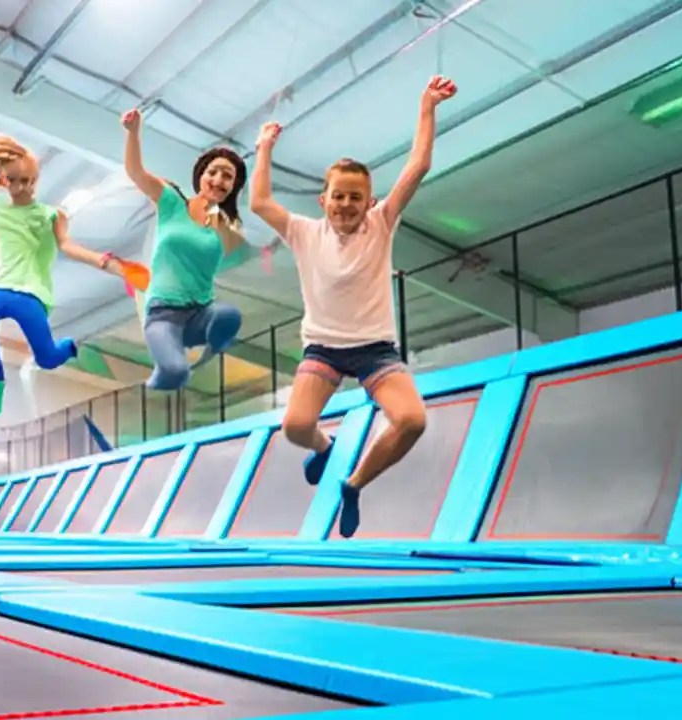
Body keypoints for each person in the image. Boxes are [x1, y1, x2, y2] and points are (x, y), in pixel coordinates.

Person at [248, 75, 458, 537]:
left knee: (411, 420)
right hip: (323, 348)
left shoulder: (381, 225)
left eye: (355, 198)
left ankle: (354, 483)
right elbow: (259, 202)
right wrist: (263, 147)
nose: (346, 205)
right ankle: (325, 449)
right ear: (323, 200)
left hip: (374, 349)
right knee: (296, 427)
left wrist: (427, 106)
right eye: (338, 197)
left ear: (370, 202)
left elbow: (418, 165)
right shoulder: (304, 231)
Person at [0, 133, 130, 416]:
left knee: (46, 359)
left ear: (36, 179)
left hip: (32, 293)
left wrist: (102, 260)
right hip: (1, 287)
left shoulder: (51, 214)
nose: (24, 187)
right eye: (14, 181)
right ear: (3, 180)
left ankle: (66, 348)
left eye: (29, 180)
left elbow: (67, 245)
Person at [120, 108, 248, 391]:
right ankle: (161, 373)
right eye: (213, 172)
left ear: (233, 186)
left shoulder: (226, 226)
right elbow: (136, 172)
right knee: (176, 373)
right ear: (200, 176)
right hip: (162, 313)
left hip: (200, 313)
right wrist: (133, 134)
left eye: (227, 177)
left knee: (230, 315)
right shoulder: (172, 201)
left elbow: (238, 247)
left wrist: (219, 220)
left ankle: (206, 353)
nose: (218, 180)